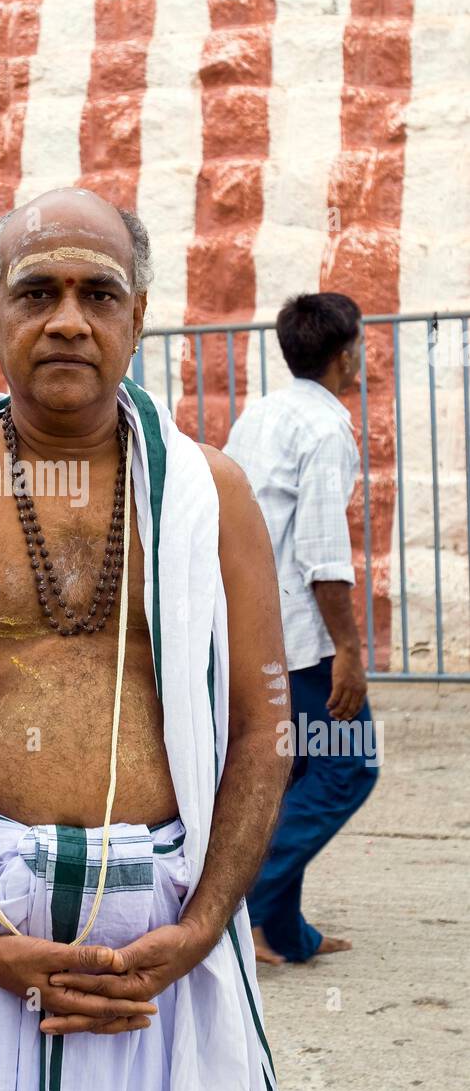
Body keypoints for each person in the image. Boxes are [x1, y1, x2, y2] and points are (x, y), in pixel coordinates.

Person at [0, 188, 290, 1091]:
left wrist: (201, 928)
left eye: (101, 294)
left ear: (139, 316)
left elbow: (265, 726)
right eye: (38, 292)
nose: (69, 322)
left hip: (167, 939)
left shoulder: (213, 495)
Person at [224, 292, 379, 966]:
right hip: (298, 637)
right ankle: (239, 909)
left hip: (245, 620)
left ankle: (284, 935)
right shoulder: (326, 429)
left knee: (293, 772)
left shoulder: (260, 414)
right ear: (347, 356)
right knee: (348, 768)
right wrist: (348, 648)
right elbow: (323, 553)